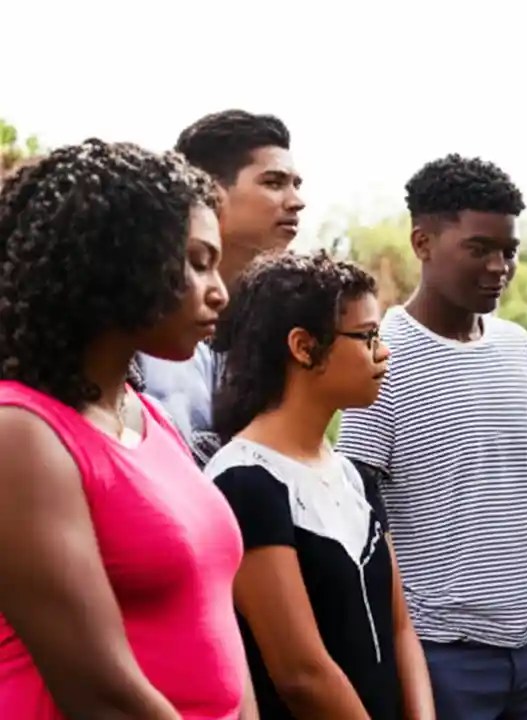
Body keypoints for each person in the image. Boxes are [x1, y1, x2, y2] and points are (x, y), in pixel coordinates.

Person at [0, 140, 246, 718]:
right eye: (195, 261)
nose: (220, 291)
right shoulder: (20, 434)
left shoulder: (147, 415)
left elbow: (217, 630)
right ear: (116, 258)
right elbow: (100, 694)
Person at [336, 154, 527, 719]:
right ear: (422, 242)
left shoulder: (520, 349)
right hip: (442, 655)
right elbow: (359, 512)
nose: (500, 266)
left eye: (509, 250)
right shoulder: (379, 356)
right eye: (479, 248)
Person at [204, 251, 434, 719]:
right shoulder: (245, 483)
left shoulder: (355, 477)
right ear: (304, 347)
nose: (383, 352)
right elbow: (301, 674)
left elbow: (402, 629)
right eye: (367, 337)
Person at [139, 109, 305, 465]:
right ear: (210, 192)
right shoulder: (146, 329)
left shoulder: (283, 325)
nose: (296, 201)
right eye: (274, 183)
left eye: (296, 185)